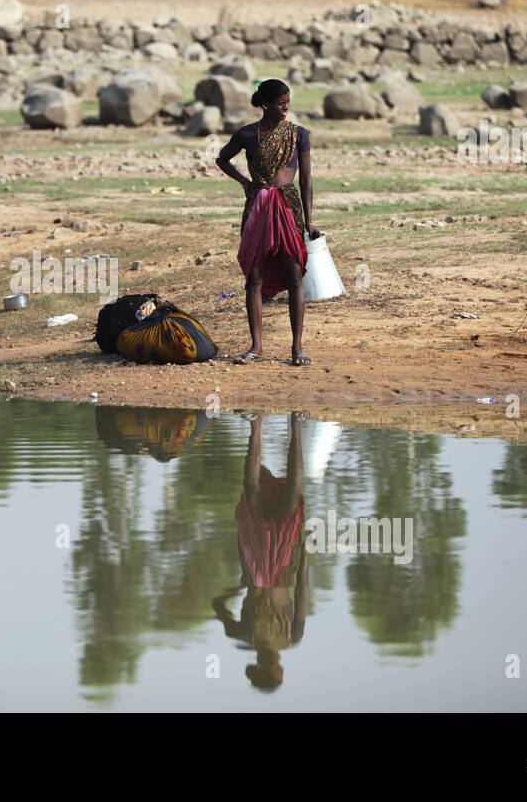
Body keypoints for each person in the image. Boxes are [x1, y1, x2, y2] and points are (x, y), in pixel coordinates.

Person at [215, 80, 319, 366]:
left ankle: (297, 348)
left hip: (288, 208)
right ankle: (256, 347)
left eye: (288, 102)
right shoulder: (247, 135)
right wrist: (245, 183)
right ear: (265, 104)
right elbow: (222, 159)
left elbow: (307, 180)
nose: (285, 108)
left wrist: (310, 221)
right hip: (258, 209)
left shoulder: (299, 134)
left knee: (294, 276)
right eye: (280, 103)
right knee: (255, 278)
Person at [211, 412, 309, 692]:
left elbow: (217, 605)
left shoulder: (246, 636)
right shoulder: (290, 636)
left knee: (261, 488)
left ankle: (260, 425)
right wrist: (304, 555)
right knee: (288, 489)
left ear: (269, 670)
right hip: (281, 560)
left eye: (277, 670)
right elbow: (301, 592)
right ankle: (292, 423)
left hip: (259, 559)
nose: (279, 665)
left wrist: (241, 586)